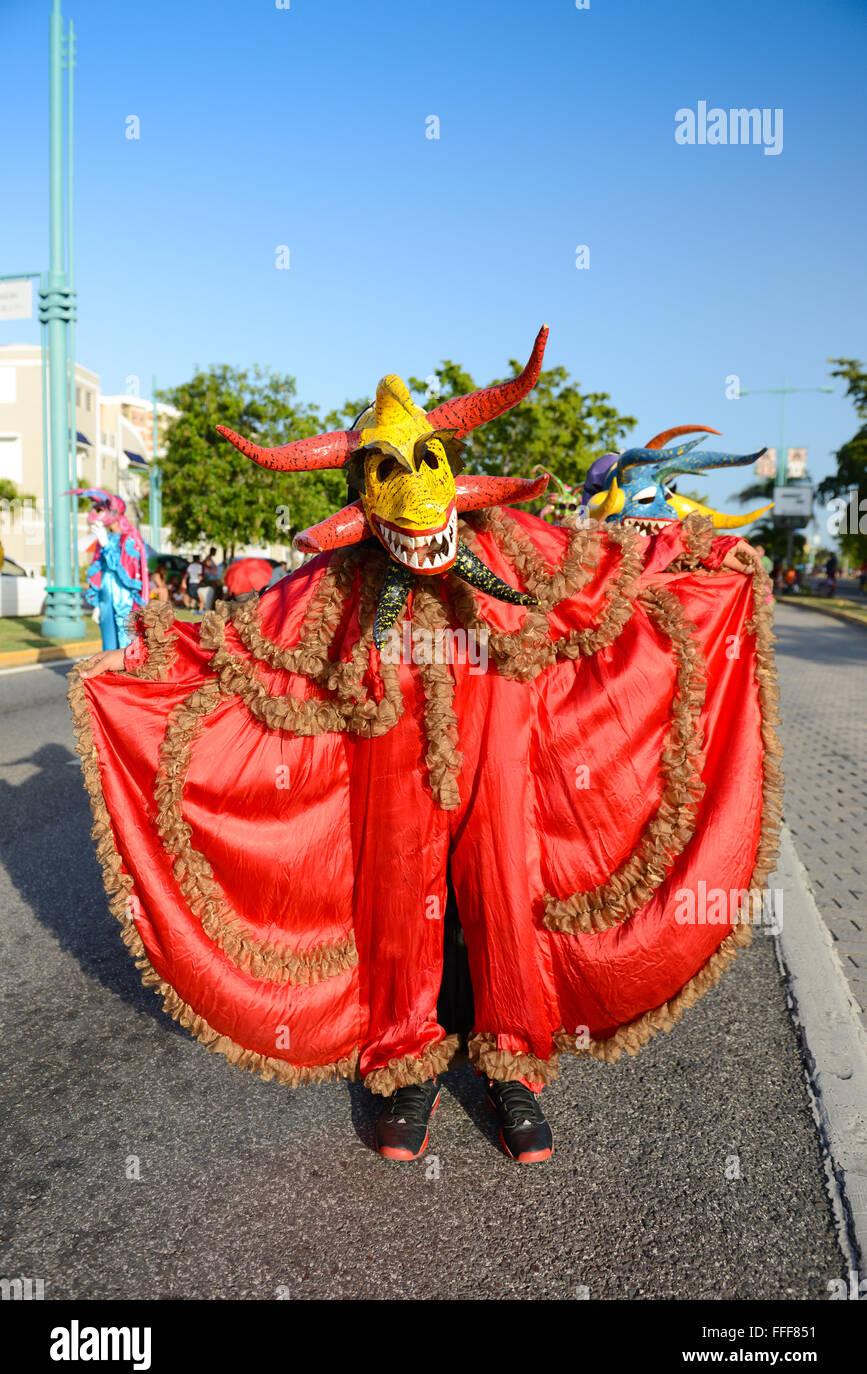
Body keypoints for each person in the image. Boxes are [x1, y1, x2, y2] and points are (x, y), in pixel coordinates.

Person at [70, 327, 780, 1165]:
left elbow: (611, 565)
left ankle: (513, 1064)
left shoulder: (515, 546)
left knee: (503, 893)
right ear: (361, 498)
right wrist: (141, 662)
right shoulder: (334, 582)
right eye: (386, 476)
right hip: (389, 766)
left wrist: (706, 552)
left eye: (427, 468)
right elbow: (238, 645)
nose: (413, 494)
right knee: (402, 904)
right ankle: (406, 1062)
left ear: (453, 473)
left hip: (502, 753)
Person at [69, 488, 149, 649]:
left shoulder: (130, 537)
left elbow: (127, 571)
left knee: (126, 643)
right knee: (109, 643)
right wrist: (98, 603)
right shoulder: (104, 537)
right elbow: (98, 568)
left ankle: (126, 674)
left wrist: (106, 545)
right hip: (106, 596)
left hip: (124, 597)